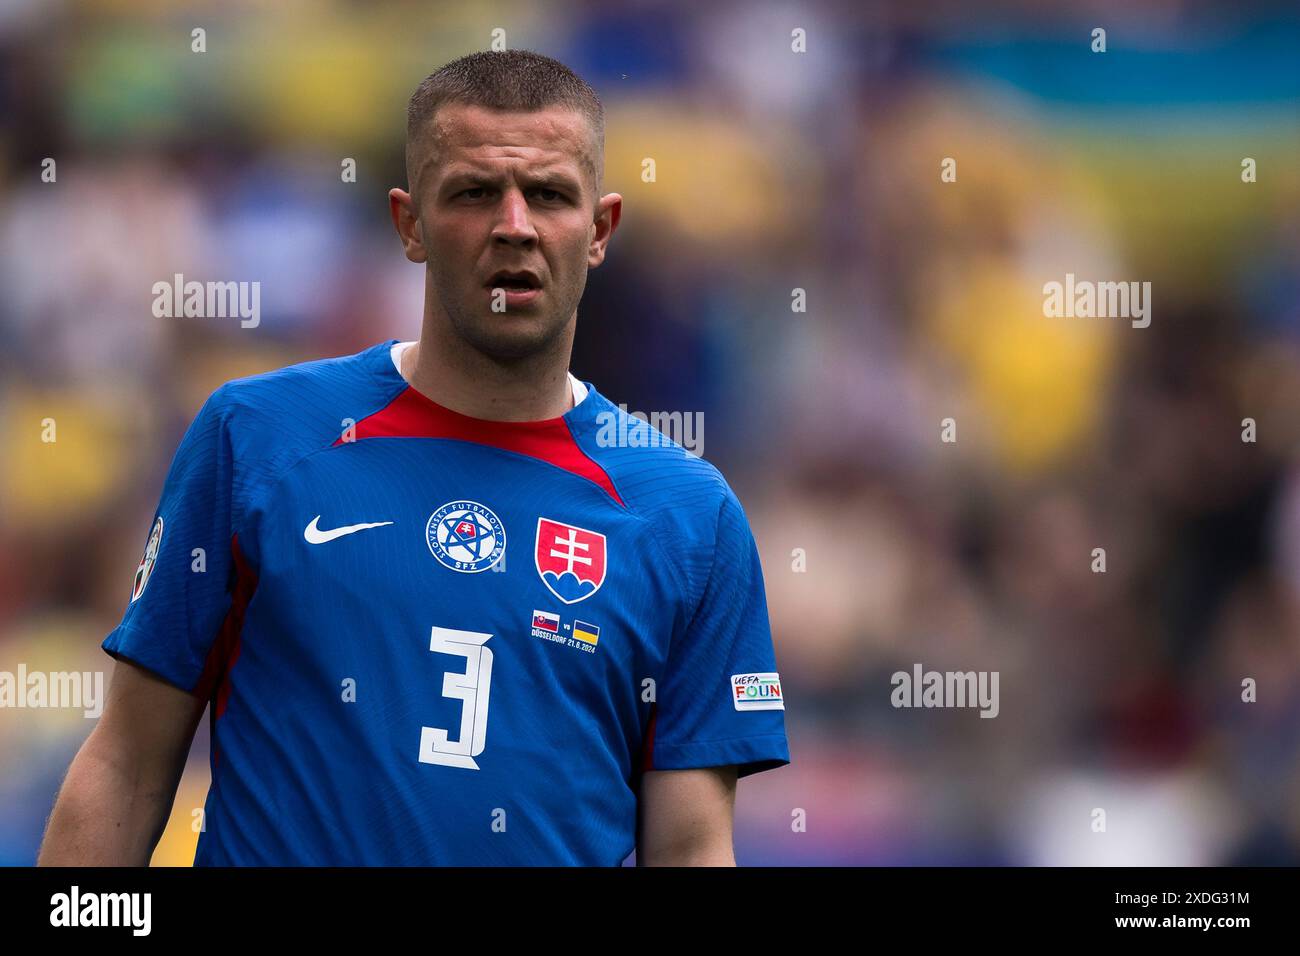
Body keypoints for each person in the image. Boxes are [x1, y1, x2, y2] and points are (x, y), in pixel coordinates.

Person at [38, 49, 788, 866]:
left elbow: (689, 847)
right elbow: (127, 763)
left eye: (548, 194)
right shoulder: (256, 437)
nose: (514, 225)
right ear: (410, 224)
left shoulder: (688, 518)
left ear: (599, 230)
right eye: (472, 192)